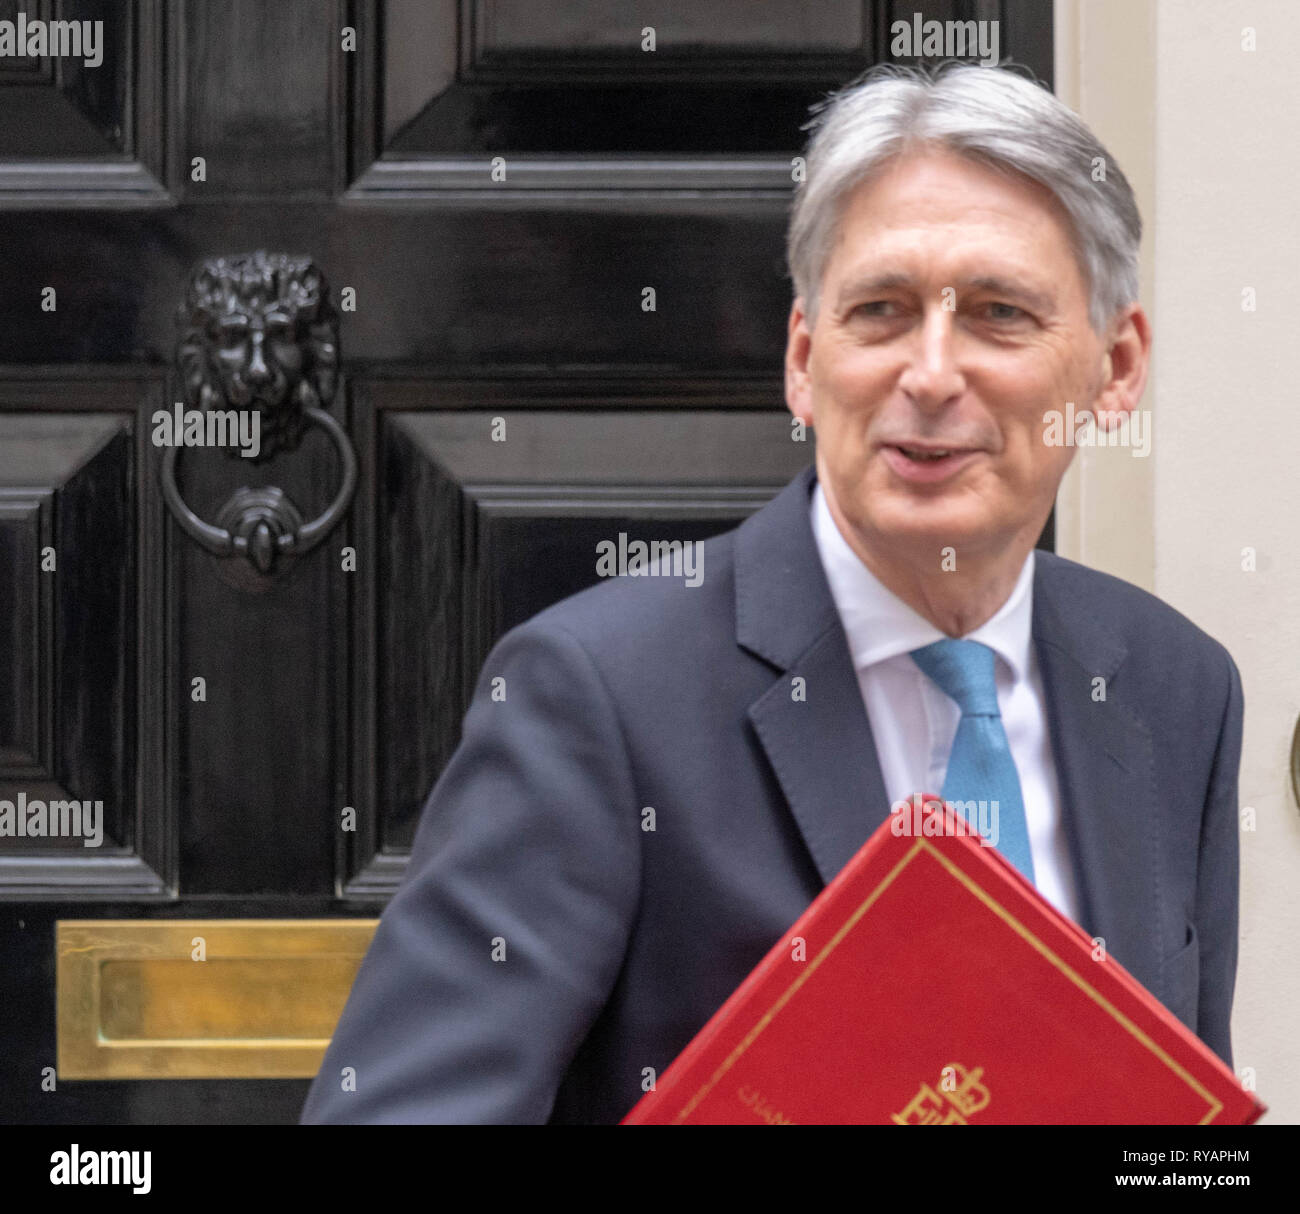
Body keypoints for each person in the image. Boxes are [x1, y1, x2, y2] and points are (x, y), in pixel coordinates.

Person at [302, 62, 1242, 1125]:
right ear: (803, 359)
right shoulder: (598, 696)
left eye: (998, 313)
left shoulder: (1176, 686)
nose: (930, 373)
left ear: (1114, 370)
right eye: (880, 310)